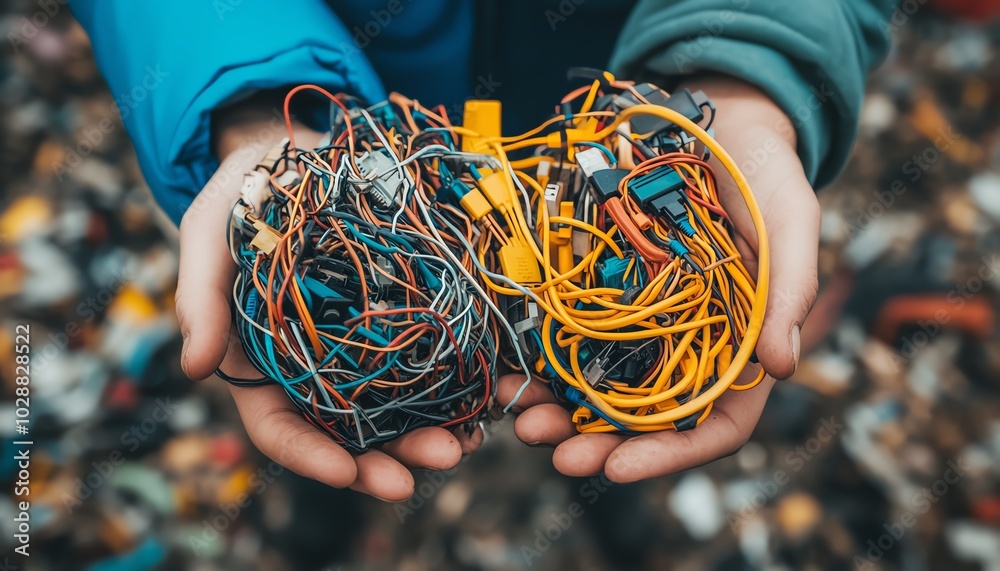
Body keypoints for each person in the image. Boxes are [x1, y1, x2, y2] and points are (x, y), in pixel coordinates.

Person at [70, 0, 897, 501]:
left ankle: (612, 455)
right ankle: (337, 474)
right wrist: (243, 100)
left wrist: (746, 69)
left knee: (593, 405)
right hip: (366, 110)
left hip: (603, 102)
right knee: (341, 400)